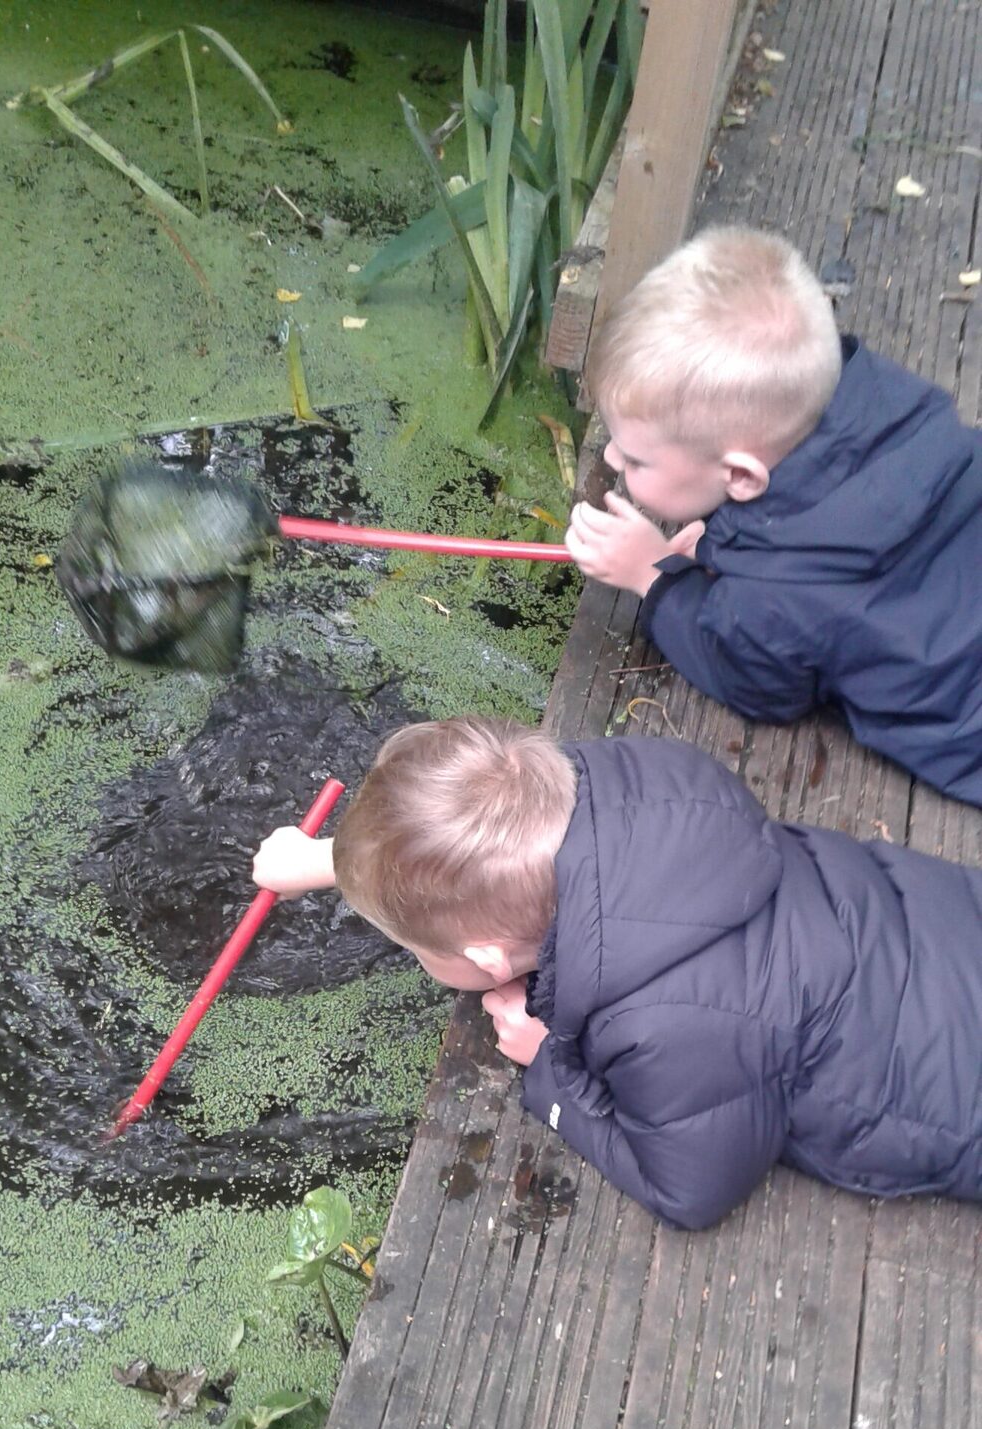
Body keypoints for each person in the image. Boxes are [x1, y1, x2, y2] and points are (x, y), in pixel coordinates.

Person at [253, 717, 982, 1231]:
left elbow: (692, 1189)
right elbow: (492, 828)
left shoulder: (664, 1028)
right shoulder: (642, 775)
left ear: (486, 961)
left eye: (420, 948)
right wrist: (330, 861)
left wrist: (548, 1068)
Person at [564, 226, 982, 805]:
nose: (609, 457)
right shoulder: (874, 403)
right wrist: (726, 548)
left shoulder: (772, 602)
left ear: (740, 476)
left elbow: (759, 686)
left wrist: (654, 578)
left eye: (634, 457)